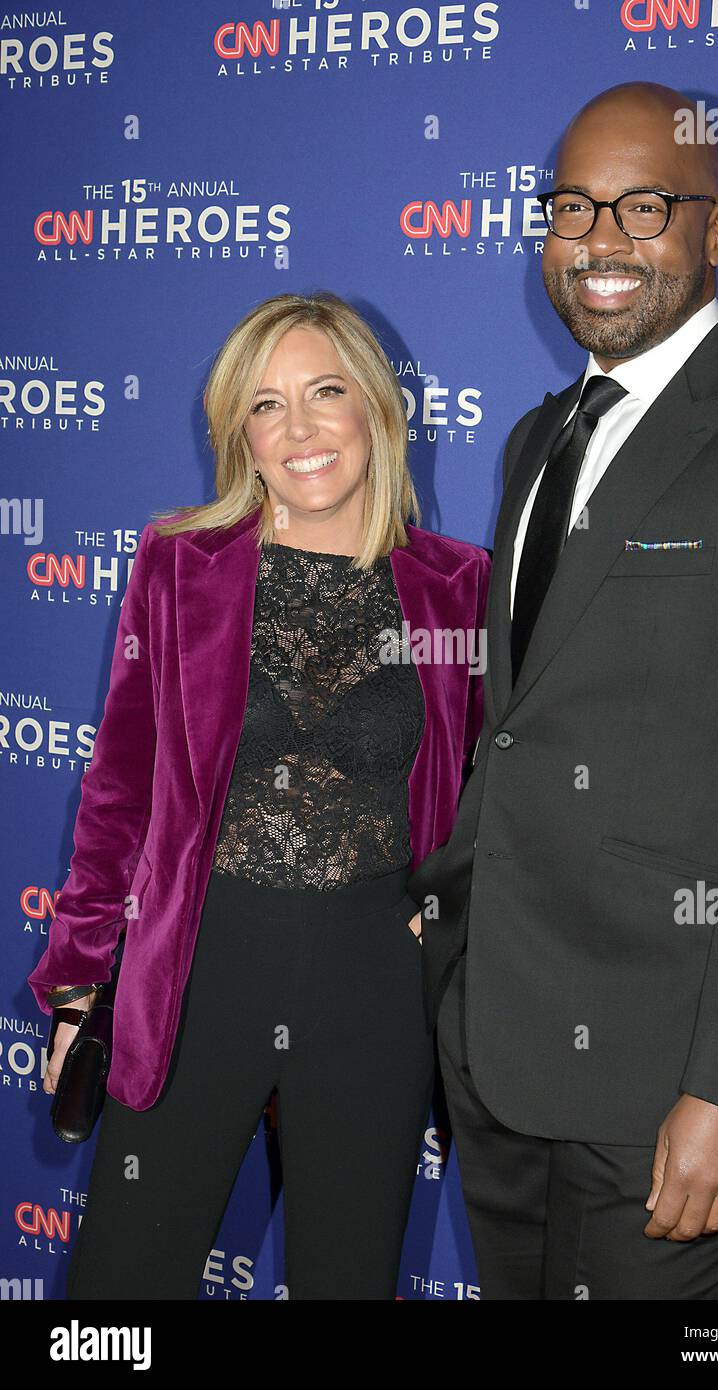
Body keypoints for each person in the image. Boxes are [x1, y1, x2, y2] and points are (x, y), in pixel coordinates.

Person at [406, 82, 718, 1300]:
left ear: (717, 232)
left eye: (643, 206)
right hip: (497, 1046)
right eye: (571, 206)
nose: (598, 241)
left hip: (666, 1075)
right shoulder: (532, 436)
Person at [28, 291, 491, 1301]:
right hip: (196, 969)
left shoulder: (458, 587)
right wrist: (76, 979)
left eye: (324, 392)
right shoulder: (178, 565)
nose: (300, 429)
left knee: (345, 1279)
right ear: (239, 431)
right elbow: (119, 785)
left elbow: (496, 783)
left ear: (374, 407)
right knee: (118, 1290)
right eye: (266, 405)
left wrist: (448, 914)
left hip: (373, 982)